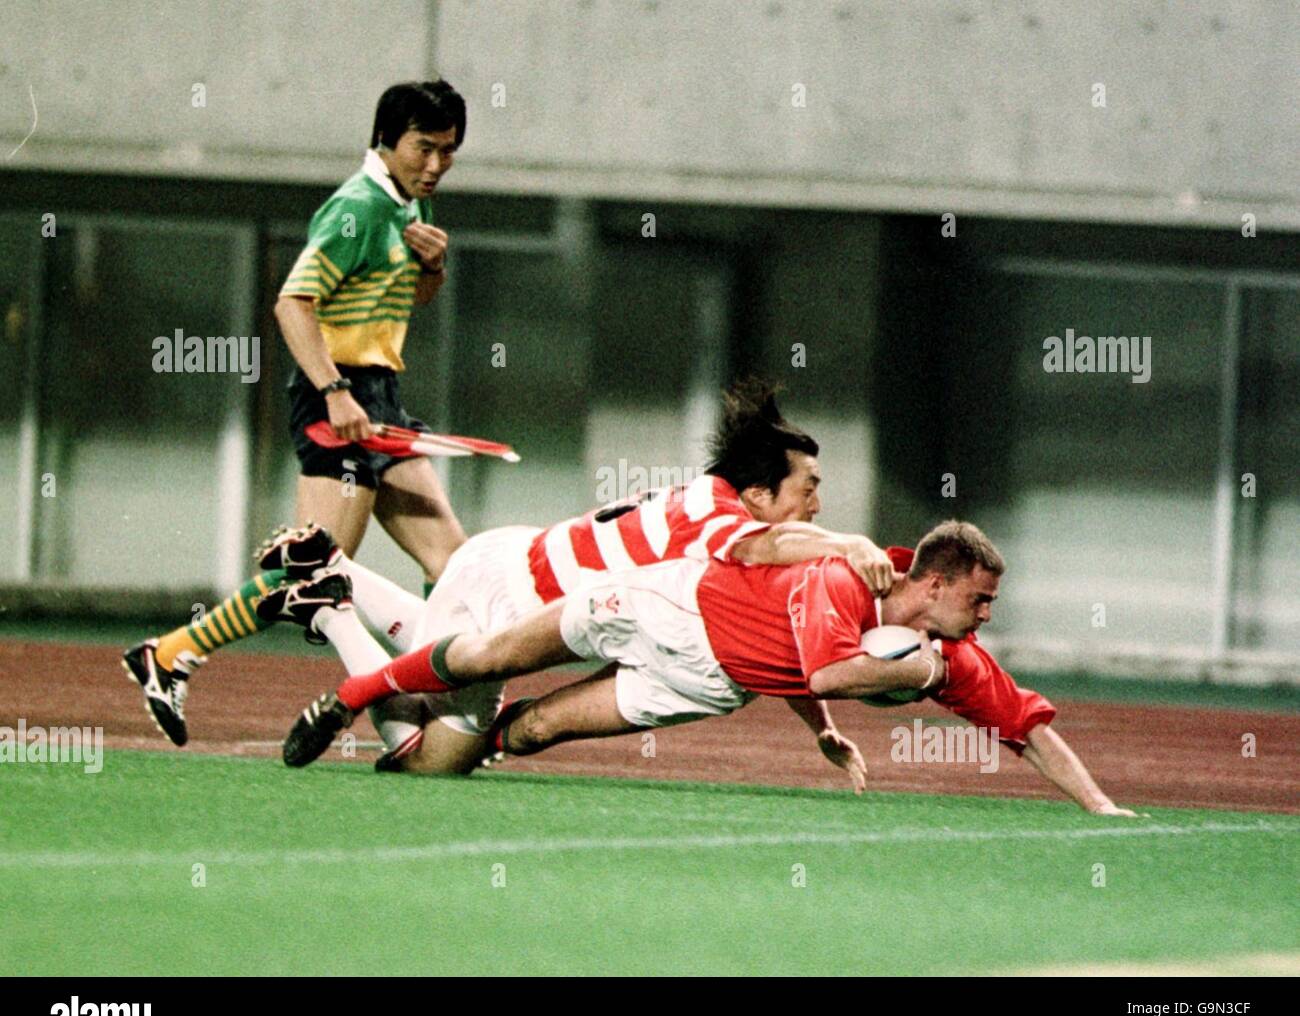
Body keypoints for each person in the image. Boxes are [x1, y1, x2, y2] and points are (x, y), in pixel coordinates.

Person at [267, 380, 895, 785]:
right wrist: (852, 542)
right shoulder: (720, 515)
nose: (817, 505)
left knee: (435, 674)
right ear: (759, 494)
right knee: (431, 759)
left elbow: (772, 630)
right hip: (510, 601)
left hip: (506, 566)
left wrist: (820, 726)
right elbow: (778, 543)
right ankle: (335, 610)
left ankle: (340, 575)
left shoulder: (723, 512)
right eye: (809, 488)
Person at [289, 520, 1140, 816]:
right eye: (980, 601)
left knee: (532, 728)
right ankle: (353, 684)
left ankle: (337, 606)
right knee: (484, 654)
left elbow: (1025, 722)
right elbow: (826, 670)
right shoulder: (845, 576)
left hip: (703, 680)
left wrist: (1101, 805)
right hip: (666, 604)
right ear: (938, 582)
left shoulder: (946, 655)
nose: (986, 618)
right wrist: (901, 680)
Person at [122, 80, 470, 745]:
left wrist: (436, 269)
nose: (434, 166)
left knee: (452, 566)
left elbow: (406, 299)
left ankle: (425, 703)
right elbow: (292, 305)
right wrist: (336, 391)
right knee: (312, 574)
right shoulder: (356, 210)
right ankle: (168, 656)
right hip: (335, 396)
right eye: (424, 149)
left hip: (382, 400)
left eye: (448, 153)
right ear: (385, 140)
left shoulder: (414, 200)